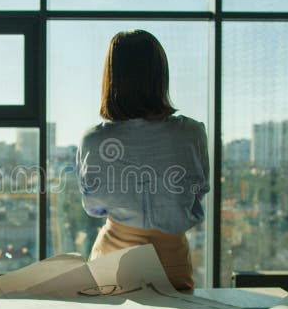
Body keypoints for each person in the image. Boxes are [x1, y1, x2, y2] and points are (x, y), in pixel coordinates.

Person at [76, 29, 209, 291]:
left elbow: (92, 206)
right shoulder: (192, 133)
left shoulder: (93, 140)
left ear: (111, 78)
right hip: (173, 263)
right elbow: (198, 192)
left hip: (110, 262)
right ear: (160, 75)